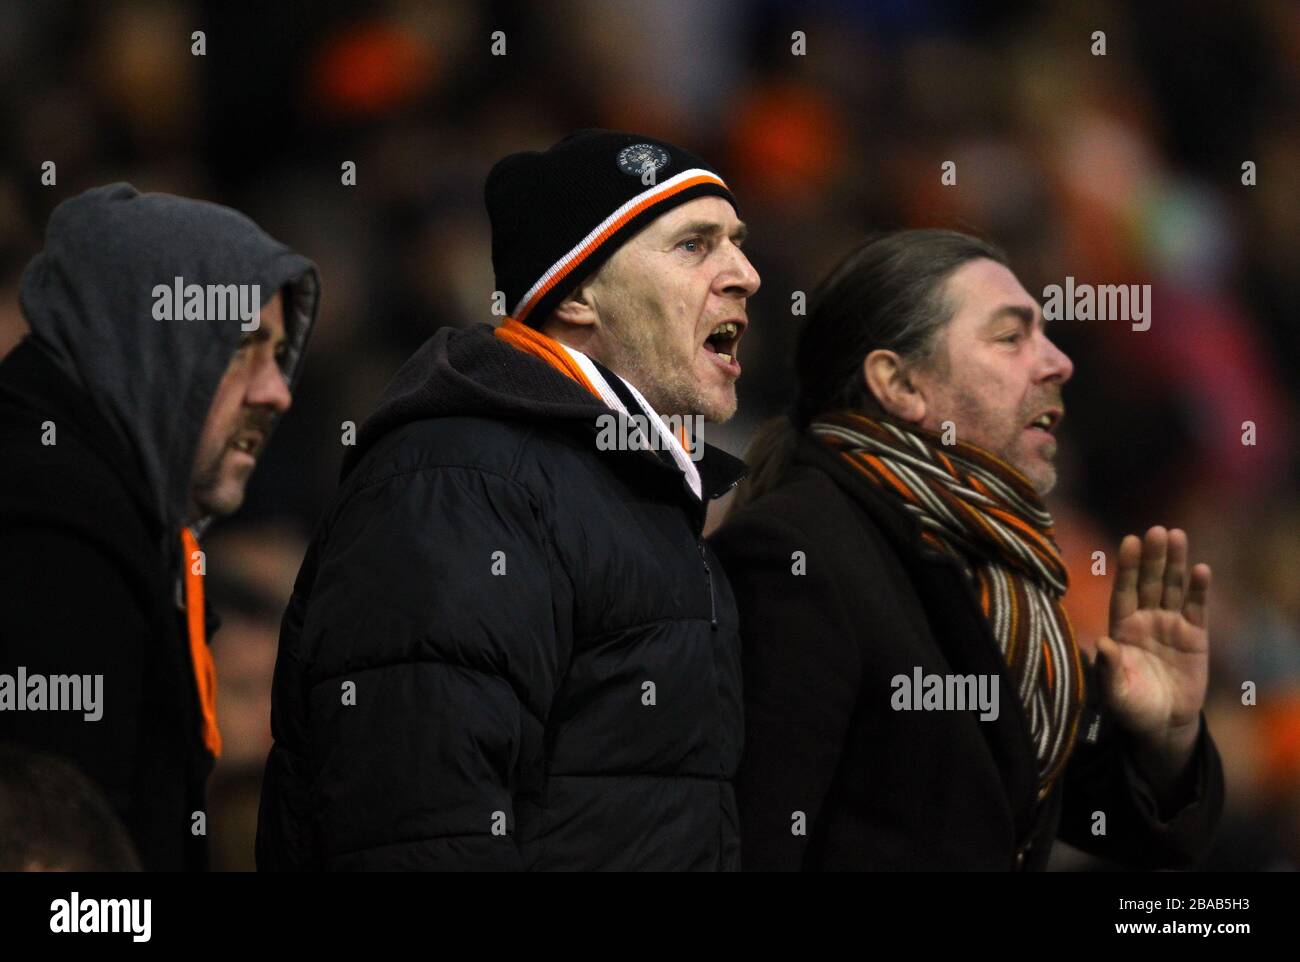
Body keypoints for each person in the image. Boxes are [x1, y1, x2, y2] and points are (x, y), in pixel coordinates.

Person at [258, 129, 760, 870]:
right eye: (694, 245)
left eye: (738, 243)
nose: (745, 273)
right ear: (579, 295)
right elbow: (418, 831)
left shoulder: (624, 484)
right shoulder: (462, 482)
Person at [710, 229, 1224, 870]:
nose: (1057, 363)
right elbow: (752, 846)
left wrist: (1164, 740)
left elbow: (1122, 836)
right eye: (1011, 338)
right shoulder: (798, 554)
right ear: (900, 384)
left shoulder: (999, 567)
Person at [0, 183, 320, 871]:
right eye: (242, 347)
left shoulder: (105, 511)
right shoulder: (50, 526)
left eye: (279, 352)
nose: (278, 391)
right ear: (143, 342)